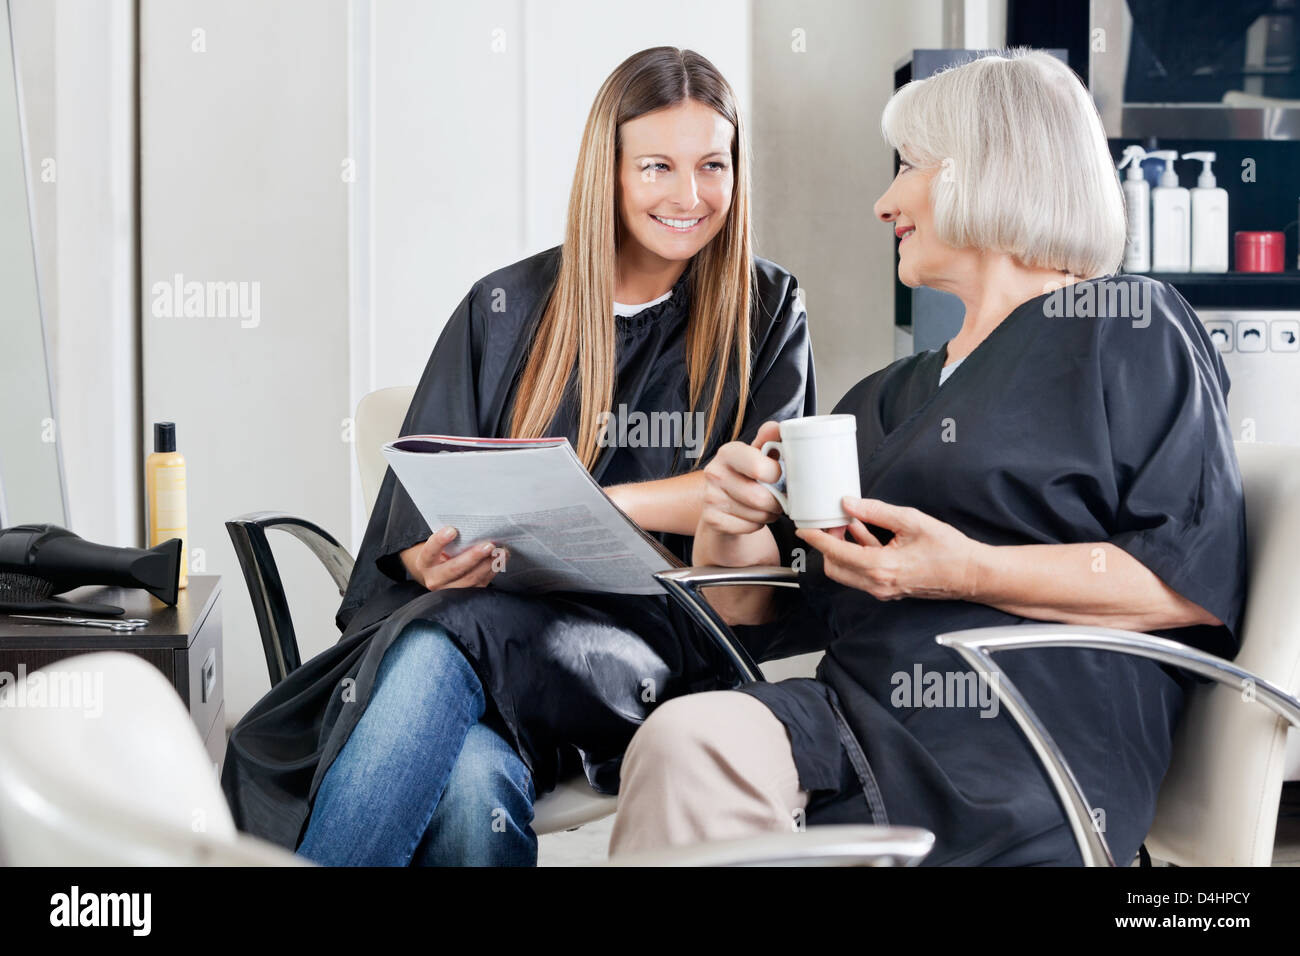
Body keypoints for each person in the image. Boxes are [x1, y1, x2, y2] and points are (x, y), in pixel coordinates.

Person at [608, 50, 1247, 866]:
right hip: (850, 717)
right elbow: (756, 611)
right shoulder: (883, 394)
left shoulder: (1126, 326)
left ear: (988, 167)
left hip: (1024, 732)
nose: (883, 203)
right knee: (688, 740)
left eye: (907, 167)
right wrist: (730, 525)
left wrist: (966, 571)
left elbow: (1186, 584)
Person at [219, 46, 815, 866]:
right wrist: (429, 562)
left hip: (646, 650)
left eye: (713, 165)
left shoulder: (767, 309)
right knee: (469, 782)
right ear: (605, 171)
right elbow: (414, 524)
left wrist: (630, 506)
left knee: (443, 641)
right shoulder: (506, 308)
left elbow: (750, 526)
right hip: (493, 631)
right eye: (656, 167)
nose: (689, 195)